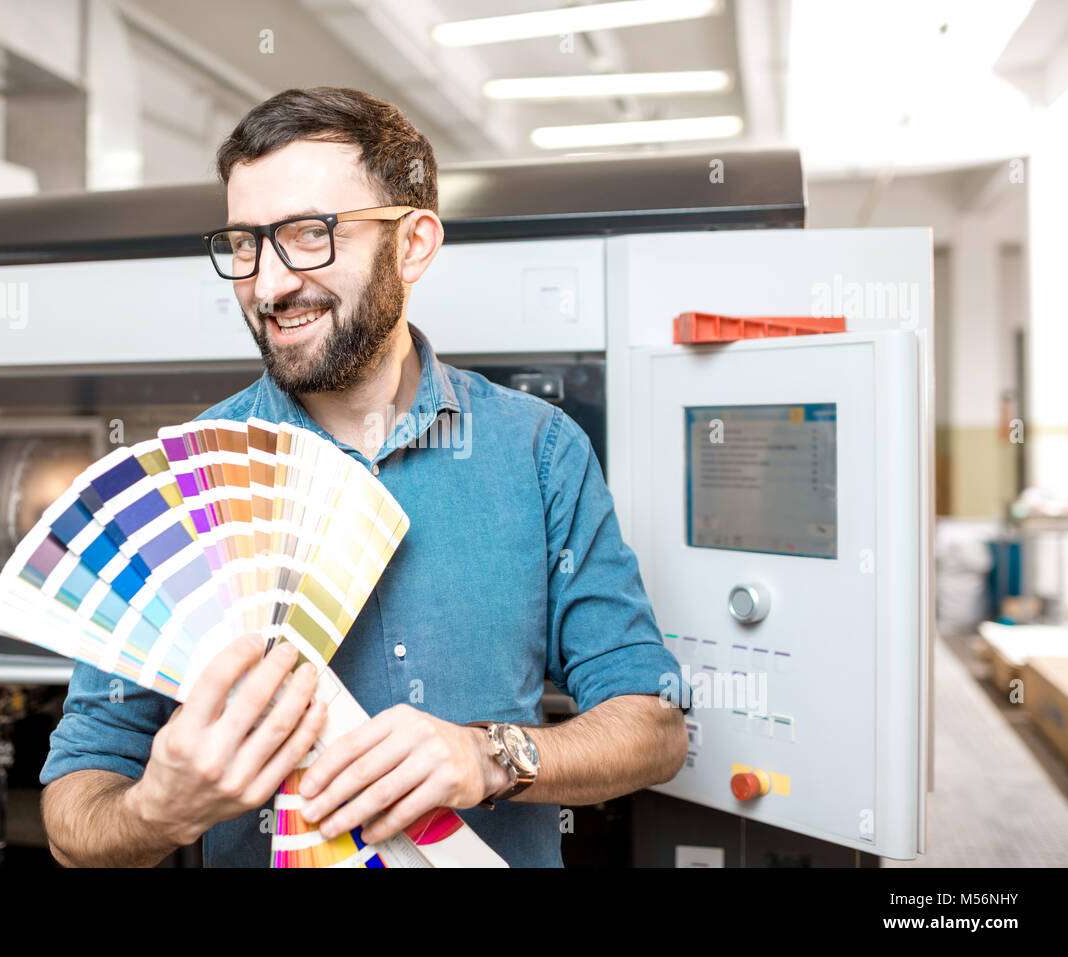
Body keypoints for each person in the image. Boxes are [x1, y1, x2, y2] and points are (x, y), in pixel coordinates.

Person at [39, 86, 687, 868]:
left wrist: (490, 757)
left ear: (413, 244)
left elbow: (653, 725)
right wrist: (156, 809)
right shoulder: (177, 488)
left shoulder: (538, 450)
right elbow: (74, 813)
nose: (269, 286)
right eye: (245, 244)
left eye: (308, 235)